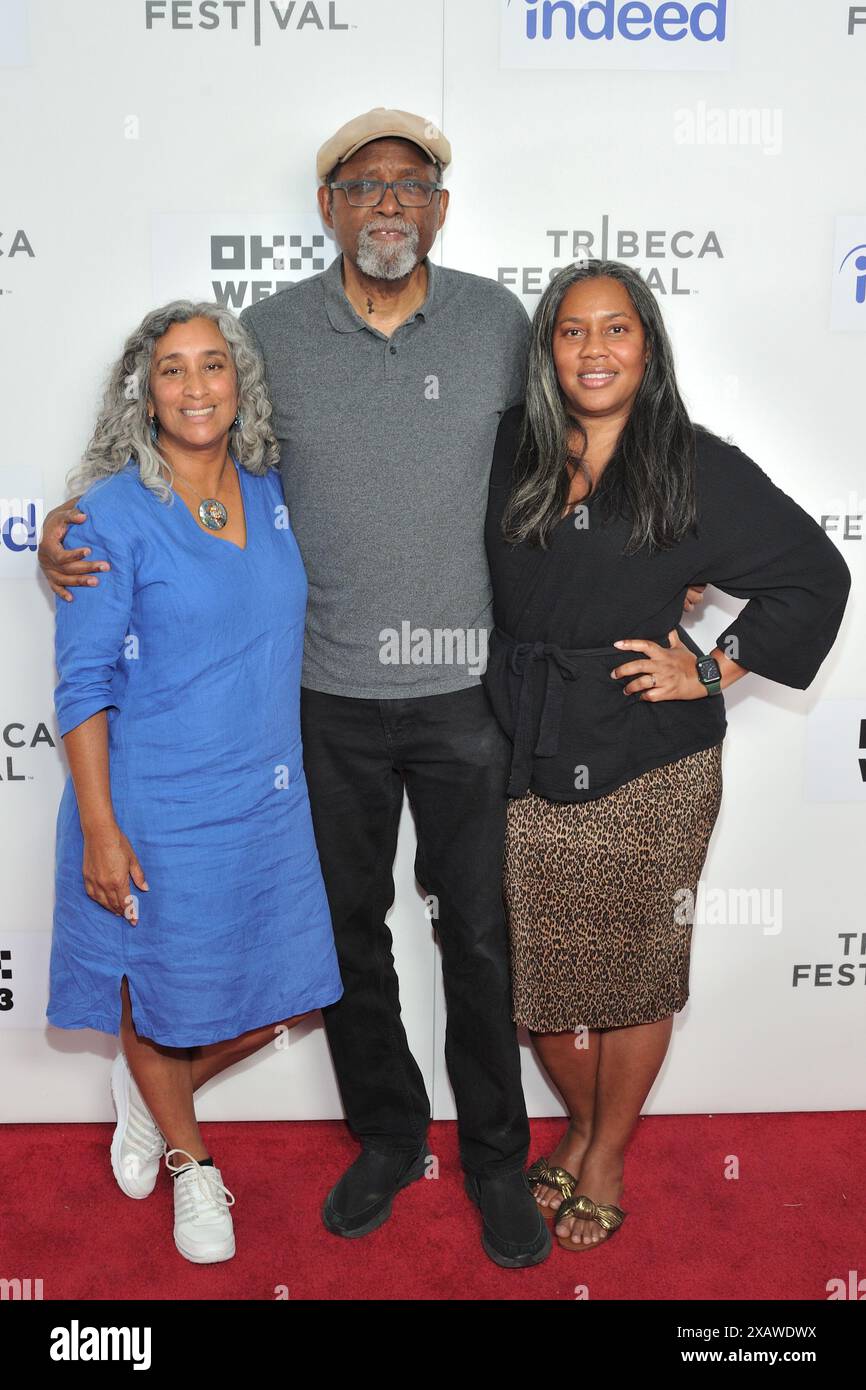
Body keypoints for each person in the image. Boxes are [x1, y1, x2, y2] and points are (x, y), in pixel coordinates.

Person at [38, 109, 704, 1268]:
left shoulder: (500, 322)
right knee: (348, 937)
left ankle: (495, 1156)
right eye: (361, 183)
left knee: (480, 941)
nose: (386, 201)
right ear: (328, 208)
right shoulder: (269, 334)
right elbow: (179, 445)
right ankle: (390, 1136)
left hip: (464, 693)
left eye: (409, 184)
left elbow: (594, 428)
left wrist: (672, 547)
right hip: (324, 703)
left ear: (439, 208)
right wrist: (64, 524)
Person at [481, 258, 851, 1252]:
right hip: (526, 745)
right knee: (545, 987)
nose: (591, 349)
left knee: (637, 973)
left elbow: (813, 577)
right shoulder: (508, 450)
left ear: (645, 347)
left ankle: (600, 1151)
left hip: (651, 766)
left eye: (614, 330)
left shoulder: (692, 463)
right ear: (546, 349)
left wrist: (712, 667)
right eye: (570, 330)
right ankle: (584, 1122)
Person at [47, 302, 342, 1264]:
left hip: (264, 797)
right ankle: (192, 1165)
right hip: (154, 801)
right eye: (171, 370)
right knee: (158, 996)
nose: (194, 386)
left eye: (212, 365)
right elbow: (84, 684)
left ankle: (145, 1093)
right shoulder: (108, 517)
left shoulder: (271, 488)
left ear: (239, 380)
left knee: (285, 992)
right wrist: (99, 826)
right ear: (143, 390)